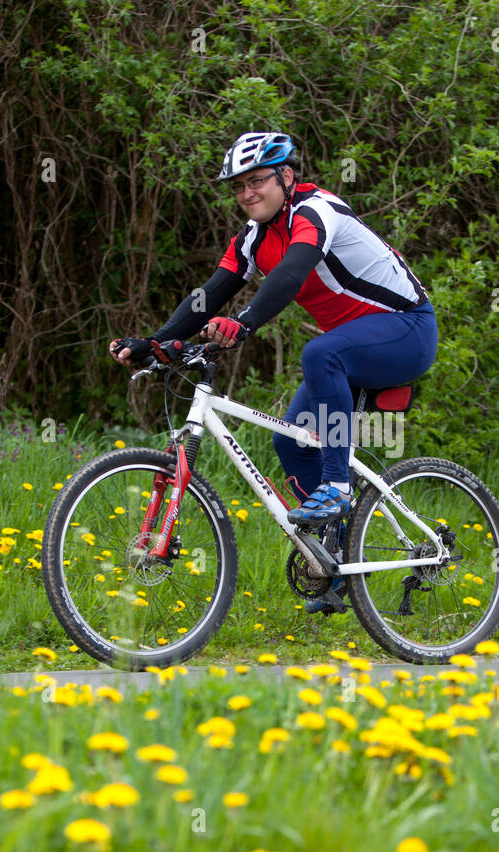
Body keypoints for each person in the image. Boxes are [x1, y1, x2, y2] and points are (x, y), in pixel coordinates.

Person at [109, 131, 438, 612]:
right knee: (289, 441)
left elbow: (289, 275)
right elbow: (209, 295)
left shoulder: (317, 211)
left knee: (320, 353)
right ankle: (336, 557)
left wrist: (244, 325)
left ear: (286, 177)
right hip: (351, 346)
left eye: (257, 181)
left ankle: (338, 488)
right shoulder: (251, 238)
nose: (247, 194)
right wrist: (155, 344)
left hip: (407, 329)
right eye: (238, 186)